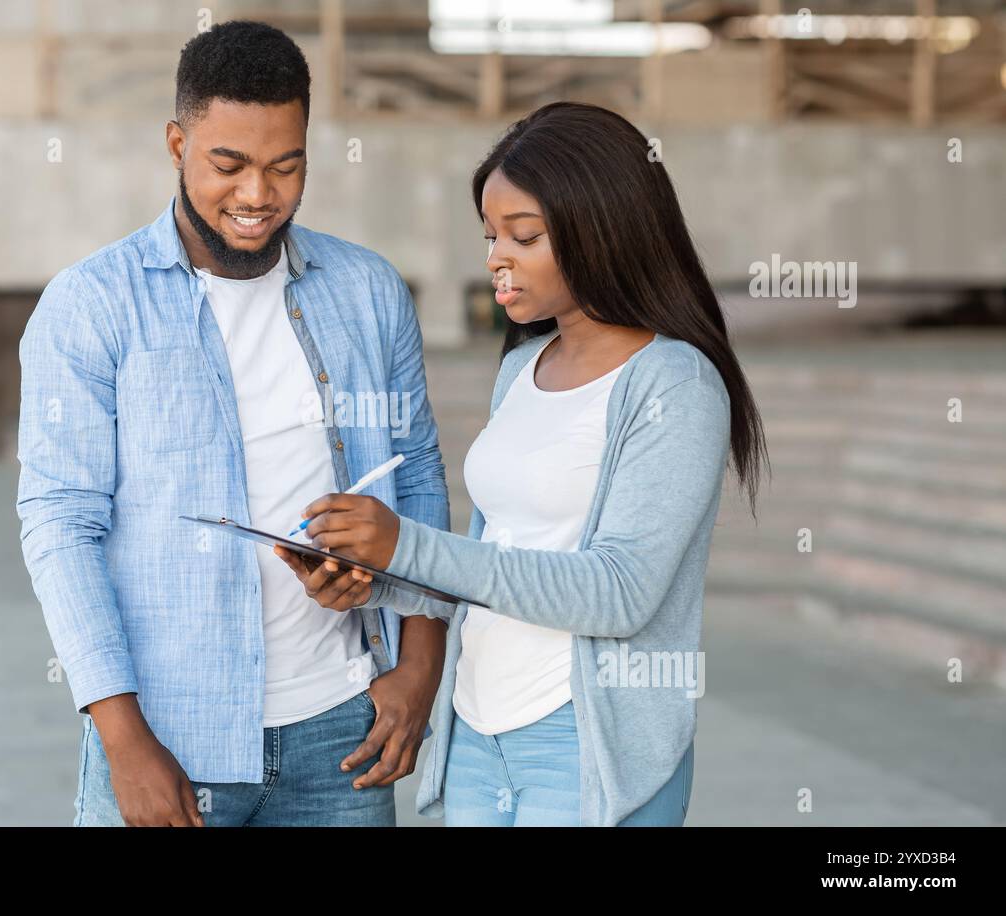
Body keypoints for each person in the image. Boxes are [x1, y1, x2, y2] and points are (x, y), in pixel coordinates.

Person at [276, 102, 769, 827]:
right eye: (490, 235)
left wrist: (407, 543)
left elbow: (620, 592)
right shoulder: (523, 368)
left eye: (524, 236)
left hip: (580, 745)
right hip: (477, 732)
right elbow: (495, 562)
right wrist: (381, 583)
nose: (495, 256)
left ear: (601, 227)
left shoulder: (675, 385)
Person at [16, 20, 452, 827]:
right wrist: (123, 743)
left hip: (341, 736)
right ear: (177, 143)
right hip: (167, 741)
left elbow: (417, 471)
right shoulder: (90, 306)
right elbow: (58, 525)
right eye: (230, 164)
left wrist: (421, 665)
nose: (258, 195)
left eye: (286, 166)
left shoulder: (368, 291)